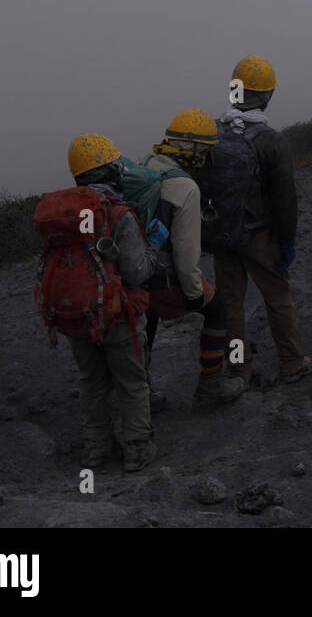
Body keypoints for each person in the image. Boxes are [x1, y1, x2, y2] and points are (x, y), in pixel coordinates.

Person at [53, 133, 164, 472]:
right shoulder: (119, 214)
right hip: (117, 314)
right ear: (108, 171)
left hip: (74, 315)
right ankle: (137, 448)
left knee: (92, 381)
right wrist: (154, 248)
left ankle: (97, 448)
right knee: (131, 380)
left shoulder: (63, 216)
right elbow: (136, 271)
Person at [210, 55, 312, 385]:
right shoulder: (272, 141)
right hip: (259, 235)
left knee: (230, 303)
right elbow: (285, 199)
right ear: (267, 96)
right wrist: (287, 241)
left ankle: (239, 366)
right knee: (278, 298)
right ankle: (292, 362)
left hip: (223, 235)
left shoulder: (214, 131)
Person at [135, 110, 245, 410]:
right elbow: (185, 255)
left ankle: (141, 390)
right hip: (163, 275)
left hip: (136, 272)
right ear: (194, 148)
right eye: (206, 149)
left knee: (148, 320)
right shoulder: (185, 187)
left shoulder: (145, 165)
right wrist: (194, 292)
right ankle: (211, 383)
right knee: (217, 310)